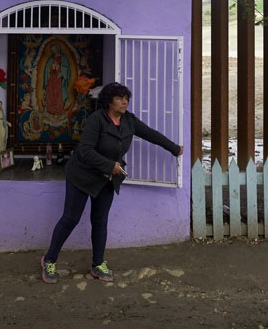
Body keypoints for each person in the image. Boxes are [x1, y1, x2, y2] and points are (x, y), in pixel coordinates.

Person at [39, 82, 183, 284]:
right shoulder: (96, 120)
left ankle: (98, 264)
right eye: (119, 98)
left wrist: (174, 148)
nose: (124, 102)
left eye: (126, 98)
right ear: (108, 101)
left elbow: (150, 134)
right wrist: (109, 165)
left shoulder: (129, 120)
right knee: (70, 218)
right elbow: (85, 151)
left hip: (106, 178)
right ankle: (49, 260)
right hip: (82, 175)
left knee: (100, 221)